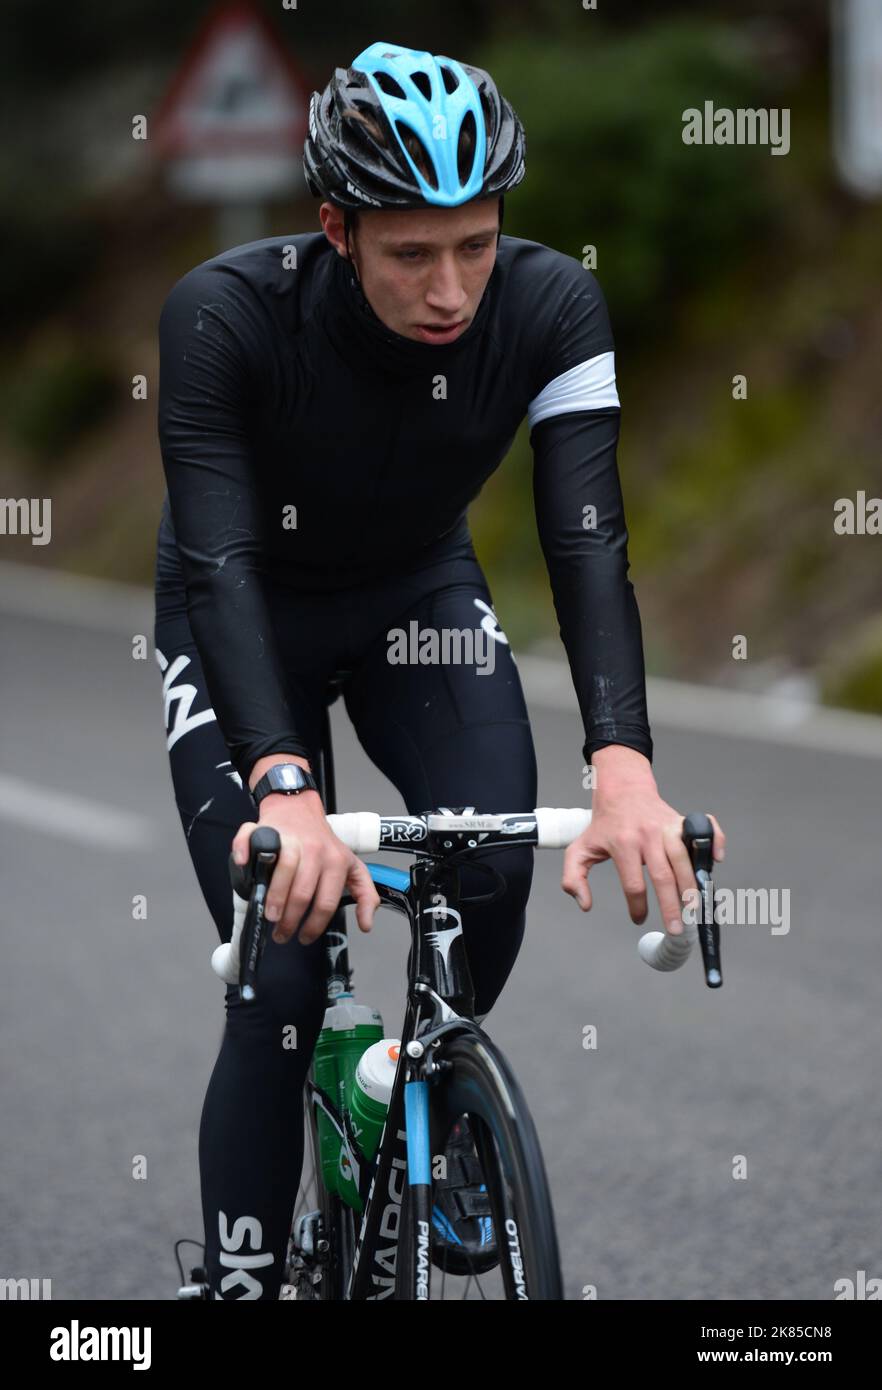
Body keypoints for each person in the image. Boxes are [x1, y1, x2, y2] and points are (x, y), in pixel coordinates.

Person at [154, 40, 724, 1299]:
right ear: (335, 228)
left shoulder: (554, 305)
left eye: (475, 242)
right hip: (240, 610)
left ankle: (411, 1083)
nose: (451, 287)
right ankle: (238, 1285)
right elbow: (223, 555)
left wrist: (623, 765)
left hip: (417, 594)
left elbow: (587, 543)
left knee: (488, 868)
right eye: (411, 252)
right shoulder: (223, 315)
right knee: (286, 963)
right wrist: (288, 787)